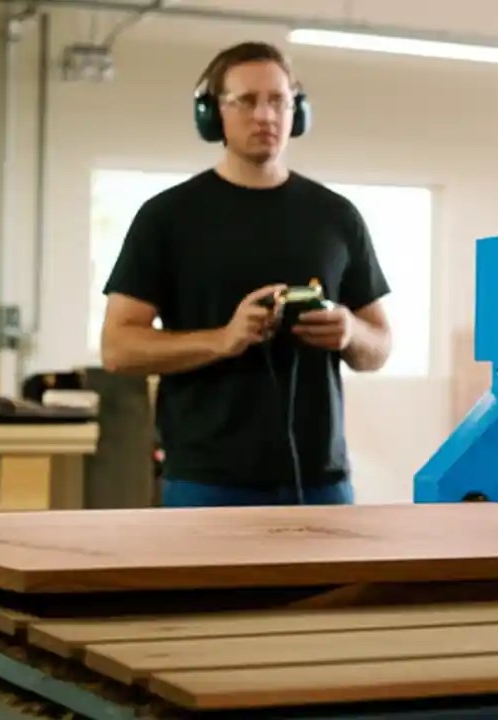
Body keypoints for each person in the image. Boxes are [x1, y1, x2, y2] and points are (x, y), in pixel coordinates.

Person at [100, 41, 392, 507]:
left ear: (298, 111)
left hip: (321, 482)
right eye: (246, 101)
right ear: (212, 113)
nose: (265, 115)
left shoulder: (337, 217)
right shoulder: (168, 217)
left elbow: (379, 346)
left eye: (278, 100)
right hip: (206, 482)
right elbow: (117, 348)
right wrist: (223, 339)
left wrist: (350, 332)